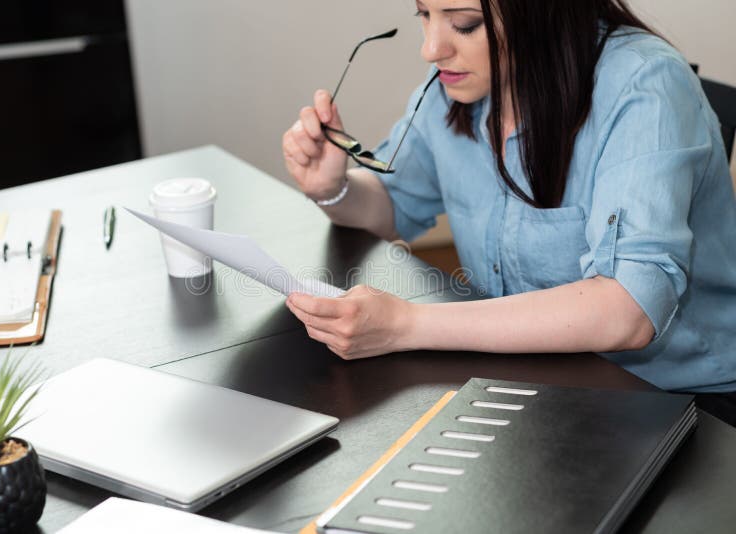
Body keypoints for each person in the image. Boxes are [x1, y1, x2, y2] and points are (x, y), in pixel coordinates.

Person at [281, 0, 736, 413]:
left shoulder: (645, 85)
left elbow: (629, 309)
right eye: (423, 15)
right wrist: (333, 188)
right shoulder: (454, 86)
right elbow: (392, 206)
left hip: (680, 401)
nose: (432, 49)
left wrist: (406, 324)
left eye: (464, 24)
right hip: (539, 382)